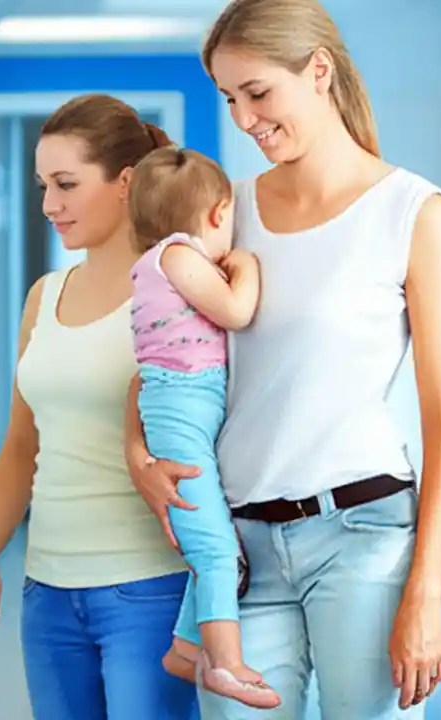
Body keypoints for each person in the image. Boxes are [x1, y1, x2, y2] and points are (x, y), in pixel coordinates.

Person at [127, 1, 441, 718]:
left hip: (364, 539)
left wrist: (427, 590)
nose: (245, 119)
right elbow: (159, 349)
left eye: (257, 93)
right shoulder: (225, 210)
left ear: (319, 71)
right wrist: (140, 455)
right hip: (241, 554)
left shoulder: (412, 212)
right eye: (230, 99)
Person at [0, 94, 200, 720]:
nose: (48, 205)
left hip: (149, 586)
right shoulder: (45, 295)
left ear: (125, 184)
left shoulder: (180, 289)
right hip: (49, 592)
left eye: (66, 184)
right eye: (43, 186)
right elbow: (20, 445)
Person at [125, 145, 279, 710]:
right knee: (215, 549)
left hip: (187, 407)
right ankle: (225, 663)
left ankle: (187, 649)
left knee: (216, 536)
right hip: (181, 409)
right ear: (218, 214)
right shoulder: (179, 256)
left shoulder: (158, 261)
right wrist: (249, 266)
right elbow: (237, 311)